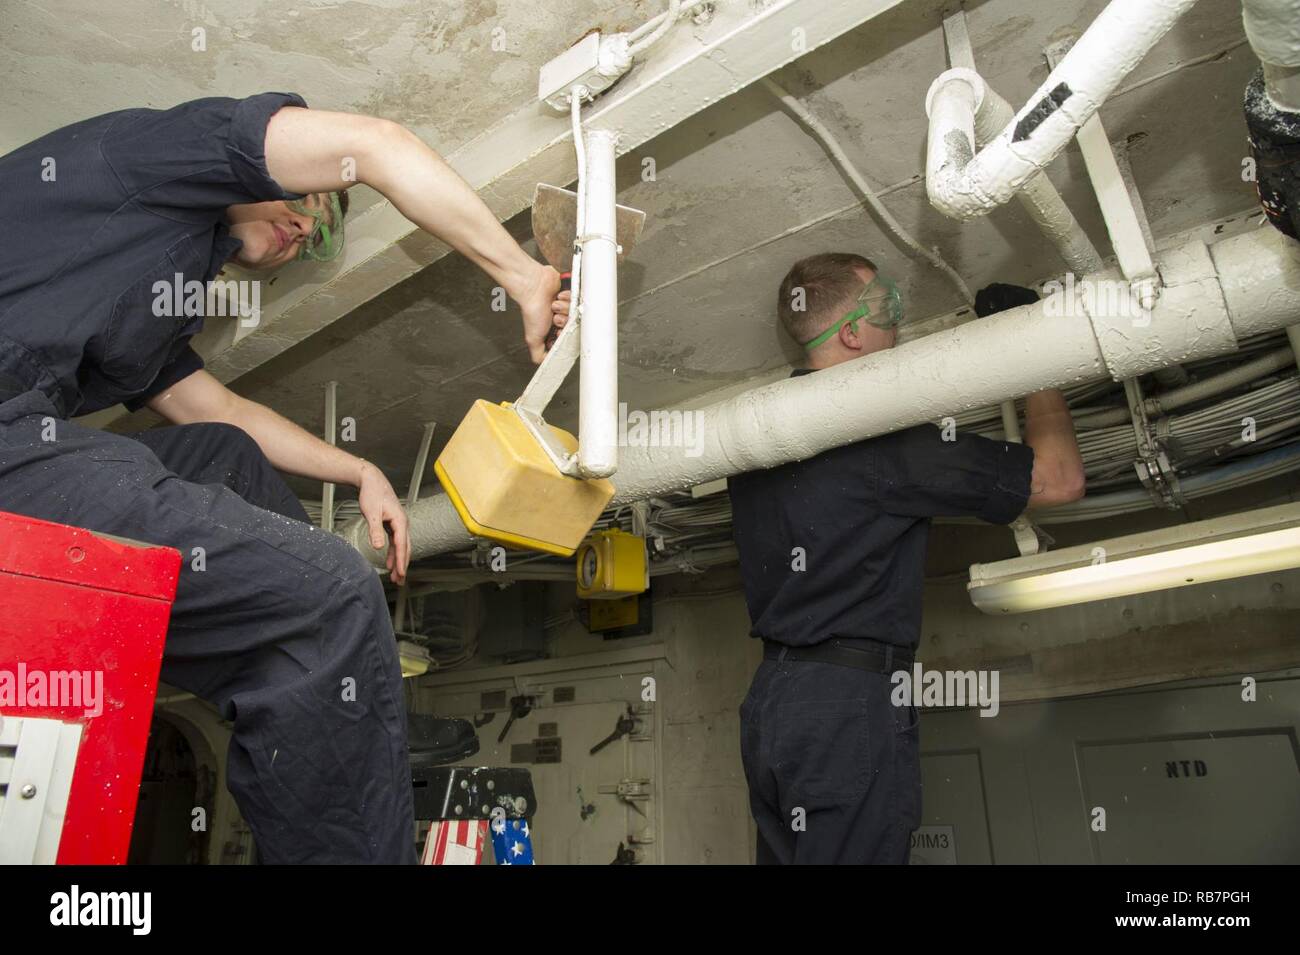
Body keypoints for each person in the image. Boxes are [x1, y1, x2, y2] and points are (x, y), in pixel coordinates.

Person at [0, 92, 563, 863]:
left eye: (320, 232)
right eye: (303, 201)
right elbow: (380, 144)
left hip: (23, 440)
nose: (304, 226)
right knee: (328, 592)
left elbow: (224, 411)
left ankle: (340, 706)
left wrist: (362, 469)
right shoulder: (160, 156)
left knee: (224, 455)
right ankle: (327, 663)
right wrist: (524, 274)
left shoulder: (159, 291)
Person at [727, 254, 1085, 865]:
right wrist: (1036, 353)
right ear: (851, 333)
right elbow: (1060, 478)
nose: (898, 324)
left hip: (774, 700)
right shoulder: (882, 443)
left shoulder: (754, 439)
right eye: (887, 308)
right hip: (848, 697)